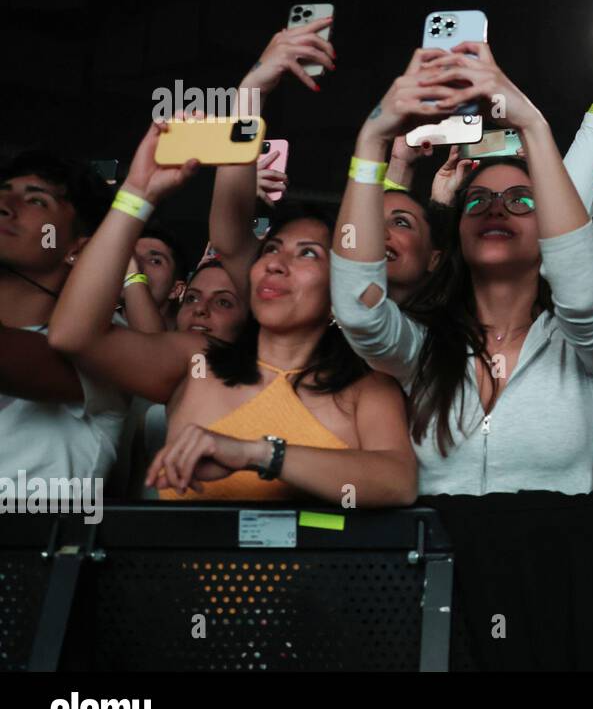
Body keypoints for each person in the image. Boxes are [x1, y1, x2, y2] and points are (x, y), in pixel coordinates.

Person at [46, 122, 417, 506]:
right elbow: (73, 336)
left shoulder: (368, 389)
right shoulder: (197, 362)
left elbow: (397, 482)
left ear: (341, 286)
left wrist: (257, 453)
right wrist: (137, 195)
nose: (275, 263)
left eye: (308, 253)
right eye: (271, 248)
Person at [329, 44, 593, 495]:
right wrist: (372, 139)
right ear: (457, 232)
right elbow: (358, 310)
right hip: (433, 561)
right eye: (478, 200)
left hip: (551, 562)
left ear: (549, 231)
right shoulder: (422, 346)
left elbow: (582, 290)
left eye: (521, 201)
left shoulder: (585, 348)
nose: (496, 210)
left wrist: (532, 124)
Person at [0, 151, 125, 483]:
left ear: (77, 250)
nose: (5, 205)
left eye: (37, 201)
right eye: (3, 190)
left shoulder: (107, 342)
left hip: (35, 532)